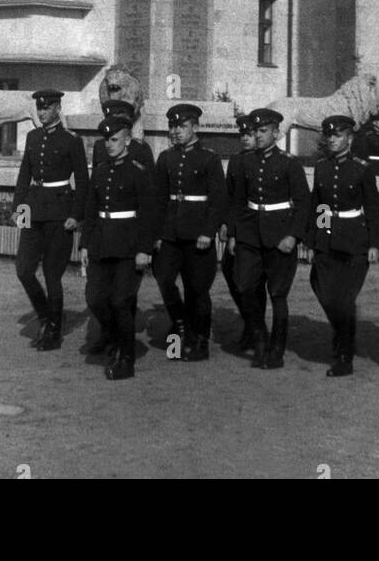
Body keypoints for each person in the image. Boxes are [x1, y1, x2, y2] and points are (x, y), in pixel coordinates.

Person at [229, 107, 311, 370]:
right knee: (245, 288)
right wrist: (234, 234)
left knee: (277, 295)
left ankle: (276, 349)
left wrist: (294, 236)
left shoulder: (289, 163)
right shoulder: (245, 162)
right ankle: (260, 339)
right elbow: (239, 201)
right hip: (250, 235)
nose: (258, 135)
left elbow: (303, 204)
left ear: (276, 133)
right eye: (255, 131)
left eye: (263, 131)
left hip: (280, 236)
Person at [80, 114, 156, 380]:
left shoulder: (138, 171)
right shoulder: (100, 171)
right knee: (95, 299)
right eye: (106, 140)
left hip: (129, 245)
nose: (110, 145)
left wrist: (144, 249)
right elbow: (91, 210)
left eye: (115, 139)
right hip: (102, 243)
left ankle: (126, 358)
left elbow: (148, 214)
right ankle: (114, 336)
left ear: (127, 140)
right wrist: (85, 245)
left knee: (120, 301)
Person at [11, 88, 89, 351]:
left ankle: (53, 331)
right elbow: (24, 175)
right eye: (39, 108)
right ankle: (45, 314)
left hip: (59, 212)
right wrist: (18, 207)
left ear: (57, 109)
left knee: (52, 275)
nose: (42, 112)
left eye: (47, 108)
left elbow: (83, 181)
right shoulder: (32, 137)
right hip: (34, 210)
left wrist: (76, 215)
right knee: (23, 270)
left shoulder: (71, 140)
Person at [307, 114, 379, 376]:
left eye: (337, 135)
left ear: (349, 138)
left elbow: (373, 208)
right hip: (328, 239)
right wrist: (317, 237)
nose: (332, 140)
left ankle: (344, 355)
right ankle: (342, 332)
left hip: (354, 241)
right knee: (322, 289)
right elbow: (320, 205)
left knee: (344, 299)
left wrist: (375, 243)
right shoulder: (321, 167)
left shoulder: (362, 168)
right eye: (329, 135)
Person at [153, 104, 228, 361]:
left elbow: (218, 200)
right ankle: (181, 322)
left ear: (195, 128)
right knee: (163, 278)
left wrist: (209, 231)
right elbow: (159, 198)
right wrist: (158, 234)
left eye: (181, 126)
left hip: (199, 235)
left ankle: (200, 341)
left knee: (197, 289)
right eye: (172, 126)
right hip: (171, 233)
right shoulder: (165, 158)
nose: (175, 131)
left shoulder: (209, 158)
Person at [221, 113, 266, 351]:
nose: (246, 139)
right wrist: (227, 225)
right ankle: (250, 321)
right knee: (232, 275)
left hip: (259, 231)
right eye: (243, 135)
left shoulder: (264, 160)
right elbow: (231, 197)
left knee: (254, 283)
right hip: (238, 228)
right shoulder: (237, 161)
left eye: (250, 134)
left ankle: (256, 329)